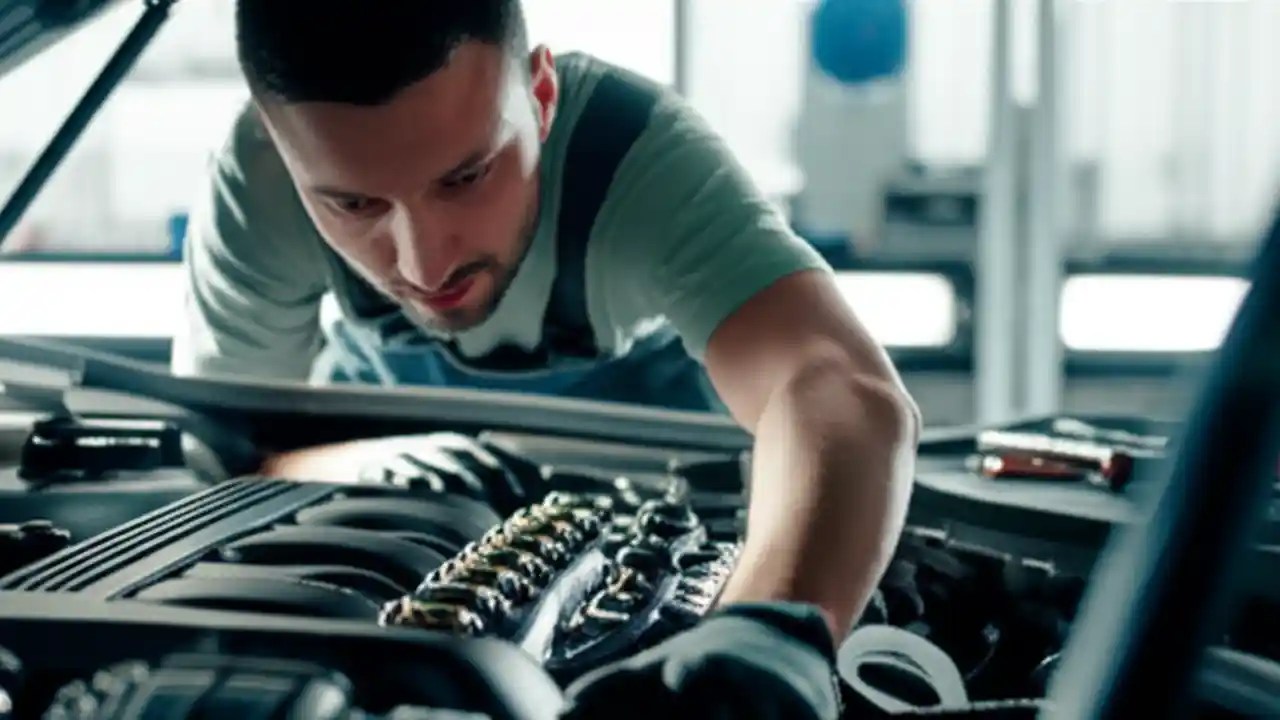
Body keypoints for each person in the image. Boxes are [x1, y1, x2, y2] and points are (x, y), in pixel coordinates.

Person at [173, 2, 920, 716]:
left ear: (540, 94)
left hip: (667, 488)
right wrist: (361, 464)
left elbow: (832, 387)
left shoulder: (638, 158)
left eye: (466, 178)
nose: (425, 265)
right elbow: (237, 452)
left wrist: (762, 632)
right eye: (353, 206)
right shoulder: (259, 178)